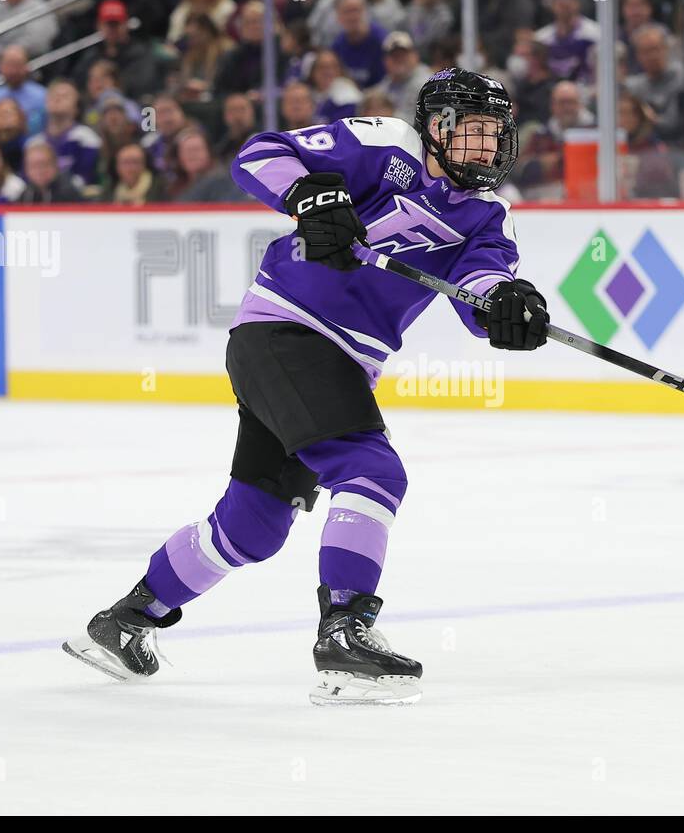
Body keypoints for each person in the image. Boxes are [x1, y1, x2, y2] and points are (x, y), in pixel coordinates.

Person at [64, 69, 549, 706]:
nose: (487, 151)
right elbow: (260, 153)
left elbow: (480, 290)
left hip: (328, 362)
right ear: (438, 128)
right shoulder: (388, 144)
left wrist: (510, 305)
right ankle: (346, 631)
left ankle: (126, 623)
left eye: (495, 138)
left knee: (253, 525)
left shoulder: (489, 217)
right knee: (373, 470)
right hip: (286, 332)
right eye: (475, 135)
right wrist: (313, 197)